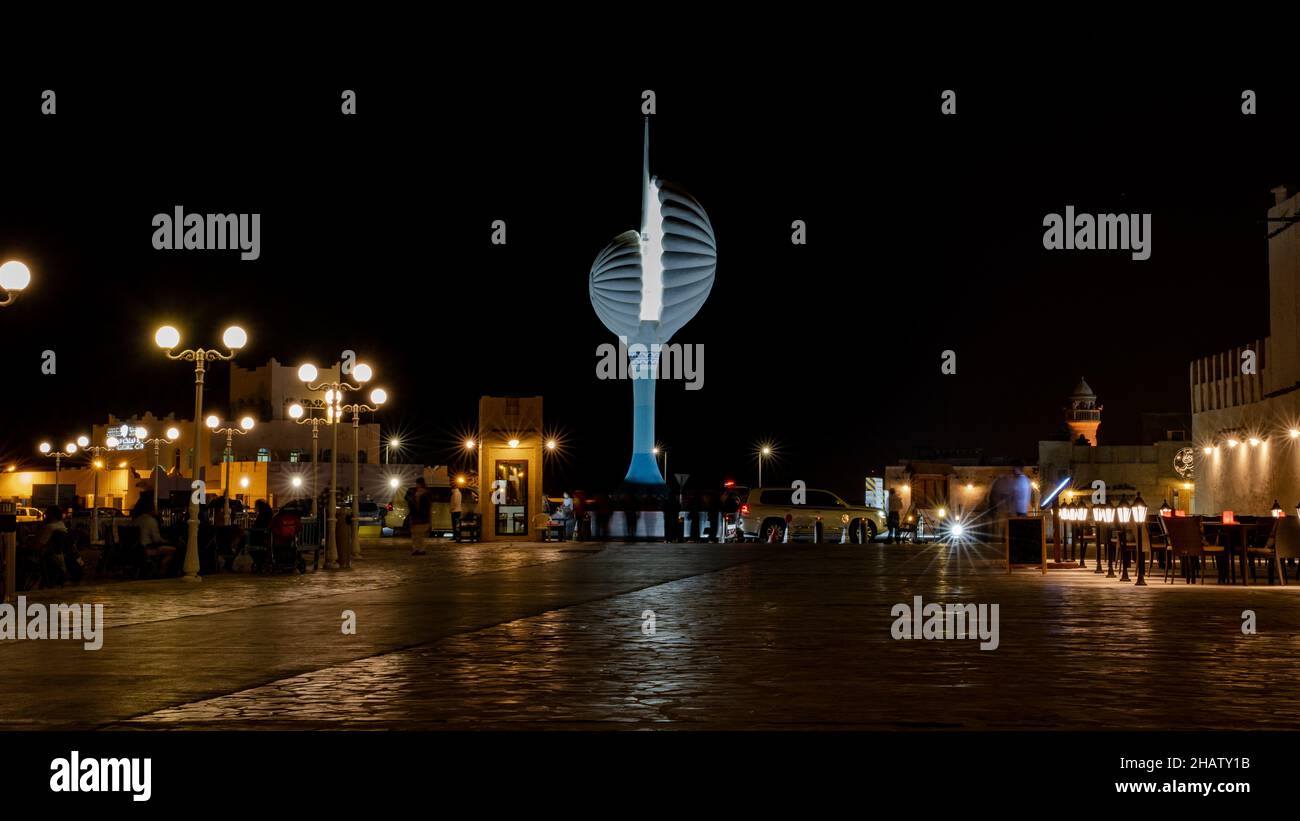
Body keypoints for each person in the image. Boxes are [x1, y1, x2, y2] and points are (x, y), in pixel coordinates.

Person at [405, 477, 432, 555]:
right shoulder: (418, 493)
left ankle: (419, 549)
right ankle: (418, 549)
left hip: (420, 516)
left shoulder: (424, 493)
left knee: (418, 535)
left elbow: (427, 507)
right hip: (418, 516)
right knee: (417, 535)